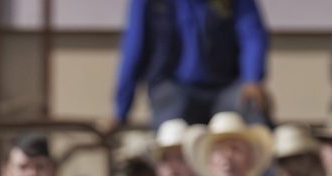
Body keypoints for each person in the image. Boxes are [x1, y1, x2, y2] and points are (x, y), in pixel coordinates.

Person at [112, 0, 272, 128]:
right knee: (172, 130)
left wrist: (252, 79)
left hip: (226, 87)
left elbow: (251, 35)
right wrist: (120, 112)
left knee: (251, 110)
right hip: (172, 84)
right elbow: (134, 47)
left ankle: (263, 159)